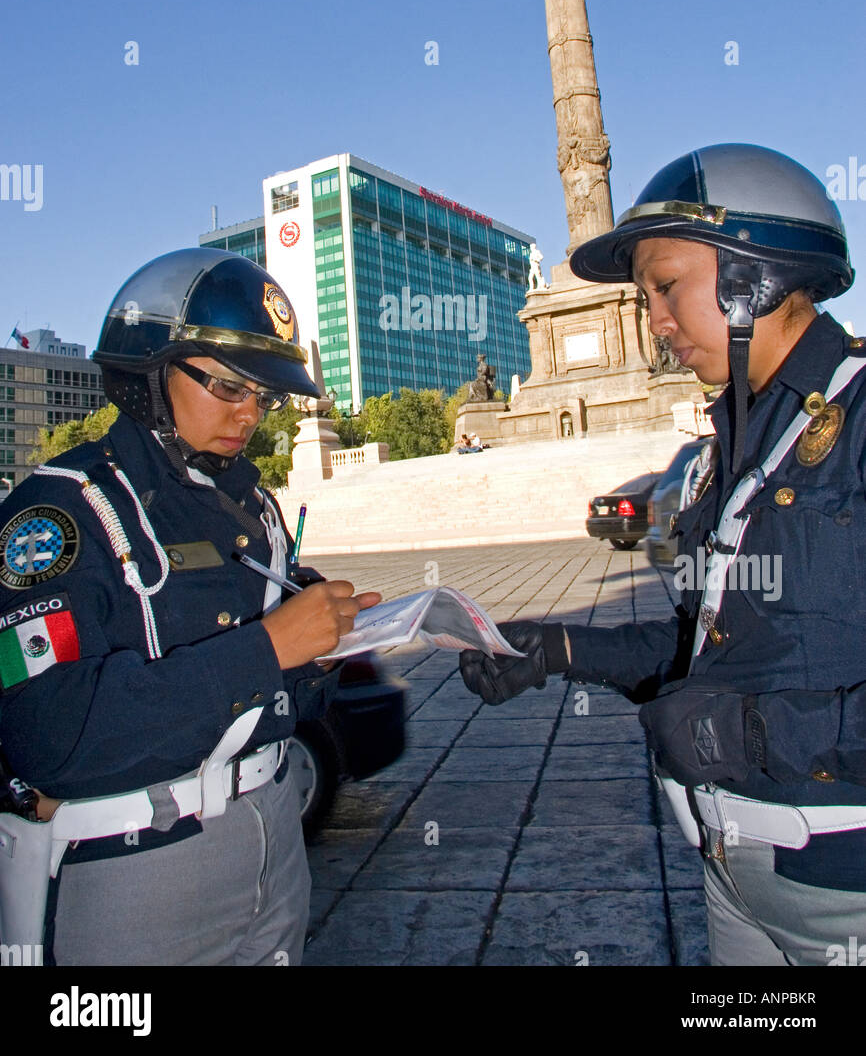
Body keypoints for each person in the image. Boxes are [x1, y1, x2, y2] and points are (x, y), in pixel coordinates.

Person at [460, 143, 866, 966]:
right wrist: (561, 647)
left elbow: (743, 710)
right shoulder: (740, 442)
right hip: (731, 878)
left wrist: (748, 738)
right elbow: (708, 645)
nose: (657, 324)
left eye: (667, 288)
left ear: (754, 276)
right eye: (646, 299)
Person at [0, 247, 381, 966]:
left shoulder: (251, 505)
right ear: (152, 372)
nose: (250, 415)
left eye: (263, 397)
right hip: (139, 865)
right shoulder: (63, 514)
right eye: (229, 387)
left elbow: (267, 694)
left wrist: (316, 649)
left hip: (273, 834)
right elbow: (51, 737)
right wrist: (269, 648)